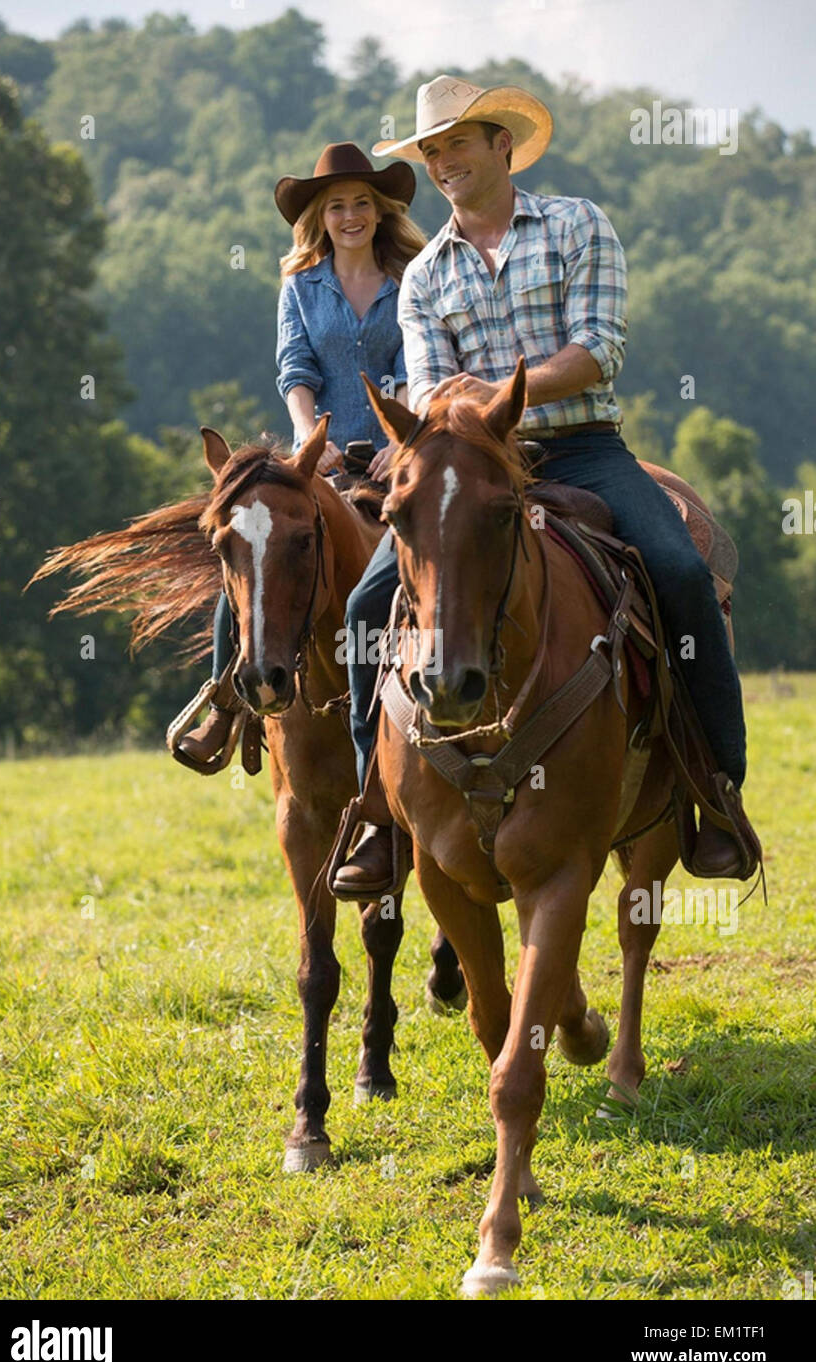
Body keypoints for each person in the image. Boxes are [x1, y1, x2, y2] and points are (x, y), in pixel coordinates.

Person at [333, 74, 751, 896]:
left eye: (458, 142)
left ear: (502, 145)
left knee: (679, 573)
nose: (444, 160)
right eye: (432, 149)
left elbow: (598, 348)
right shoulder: (423, 277)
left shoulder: (575, 224)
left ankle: (716, 795)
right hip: (472, 466)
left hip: (581, 450)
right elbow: (424, 387)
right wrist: (470, 414)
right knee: (362, 608)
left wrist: (497, 395)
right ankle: (375, 821)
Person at [176, 144, 426, 766]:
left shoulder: (411, 279)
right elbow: (295, 368)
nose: (350, 216)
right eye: (337, 205)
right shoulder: (300, 286)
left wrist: (398, 442)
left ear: (380, 210)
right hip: (321, 455)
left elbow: (411, 365)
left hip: (399, 451)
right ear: (320, 217)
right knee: (253, 557)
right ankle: (223, 706)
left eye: (362, 203)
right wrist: (313, 438)